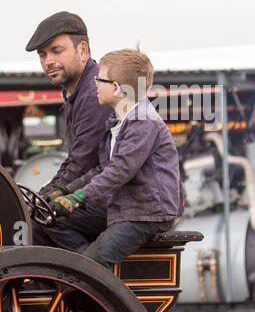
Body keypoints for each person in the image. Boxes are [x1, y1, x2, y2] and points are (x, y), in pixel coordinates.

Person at [44, 48, 182, 270]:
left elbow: (118, 171)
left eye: (100, 79)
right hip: (125, 206)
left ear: (117, 88)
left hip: (146, 213)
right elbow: (102, 169)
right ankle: (87, 267)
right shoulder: (118, 120)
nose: (95, 84)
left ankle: (91, 271)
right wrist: (64, 191)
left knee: (91, 265)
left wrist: (78, 197)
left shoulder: (143, 122)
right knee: (51, 220)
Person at [25, 11, 112, 202]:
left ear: (83, 51)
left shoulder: (94, 94)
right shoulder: (74, 92)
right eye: (42, 55)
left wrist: (45, 197)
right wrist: (43, 194)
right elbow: (74, 161)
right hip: (99, 193)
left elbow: (84, 163)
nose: (48, 61)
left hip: (118, 201)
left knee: (39, 224)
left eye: (57, 51)